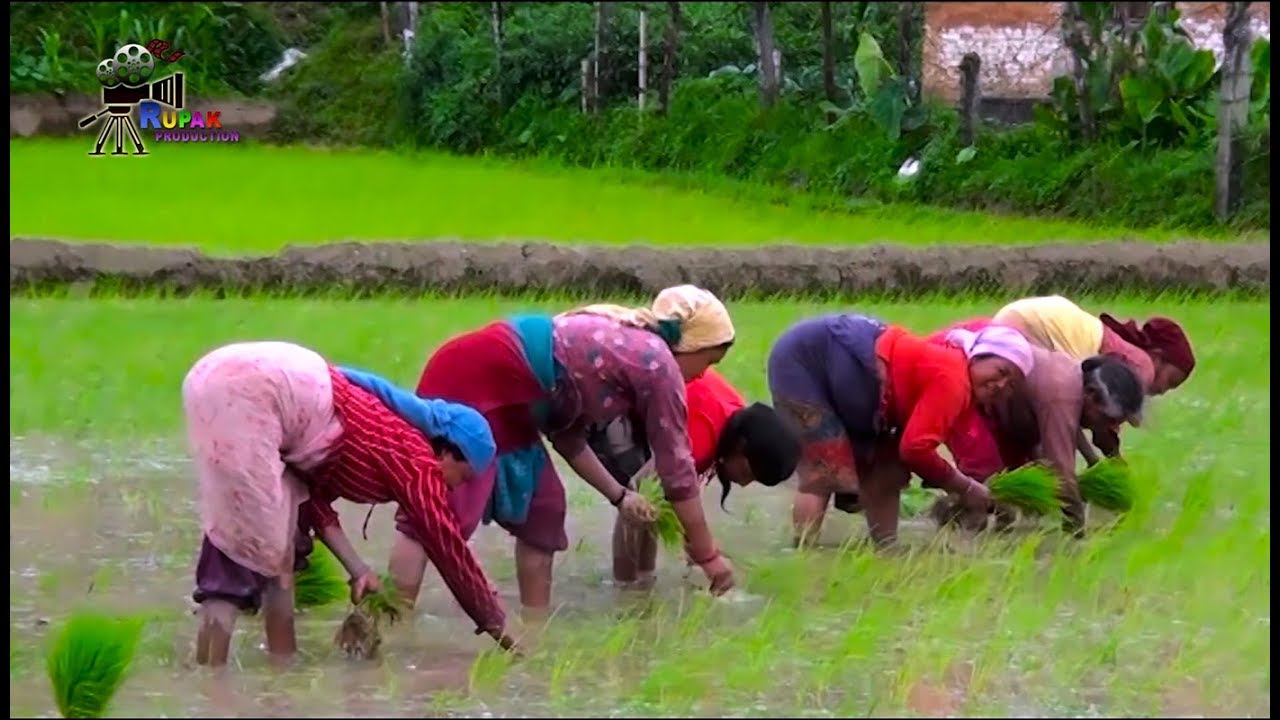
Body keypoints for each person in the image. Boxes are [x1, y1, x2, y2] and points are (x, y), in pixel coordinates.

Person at [394, 285, 739, 621]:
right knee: (437, 511)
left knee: (543, 511)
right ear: (692, 344)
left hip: (515, 404)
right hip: (471, 378)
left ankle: (533, 631)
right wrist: (708, 557)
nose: (703, 374)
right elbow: (676, 468)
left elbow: (567, 436)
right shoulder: (657, 363)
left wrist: (621, 497)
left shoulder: (631, 346)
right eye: (709, 360)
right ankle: (394, 622)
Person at [183, 341, 518, 668]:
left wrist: (359, 571)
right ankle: (211, 683)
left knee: (282, 545)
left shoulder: (373, 433)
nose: (456, 488)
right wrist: (499, 627)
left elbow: (314, 506)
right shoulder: (418, 462)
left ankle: (281, 664)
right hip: (256, 390)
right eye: (463, 476)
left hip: (231, 375)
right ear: (447, 452)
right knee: (237, 552)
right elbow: (448, 548)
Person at [766, 313, 1034, 548]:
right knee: (824, 469)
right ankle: (804, 552)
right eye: (1001, 370)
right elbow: (916, 449)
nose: (1001, 384)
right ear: (978, 355)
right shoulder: (954, 379)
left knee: (888, 468)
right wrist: (966, 488)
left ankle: (887, 548)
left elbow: (917, 447)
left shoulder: (962, 389)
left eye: (1011, 385)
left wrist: (956, 482)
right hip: (808, 360)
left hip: (854, 368)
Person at [585, 366, 802, 588]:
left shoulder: (738, 421)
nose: (744, 484)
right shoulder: (701, 436)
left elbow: (675, 499)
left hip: (647, 391)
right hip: (607, 393)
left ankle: (643, 576)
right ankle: (626, 584)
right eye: (747, 473)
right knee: (641, 502)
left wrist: (696, 542)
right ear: (740, 446)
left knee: (655, 503)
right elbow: (639, 493)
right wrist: (629, 589)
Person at [929, 321, 1148, 536]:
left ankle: (970, 518)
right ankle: (958, 529)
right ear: (1091, 395)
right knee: (987, 472)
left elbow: (1068, 434)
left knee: (1017, 478)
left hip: (998, 401)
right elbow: (1061, 470)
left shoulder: (1072, 383)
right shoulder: (1062, 394)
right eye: (1108, 419)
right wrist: (1077, 530)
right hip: (961, 367)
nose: (1109, 427)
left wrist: (1094, 464)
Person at [992, 295, 1195, 461]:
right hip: (1028, 328)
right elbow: (1099, 429)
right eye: (1170, 381)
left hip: (1013, 320)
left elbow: (1075, 419)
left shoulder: (1106, 361)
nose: (1162, 391)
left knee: (1040, 436)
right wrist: (1114, 462)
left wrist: (1093, 461)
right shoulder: (1142, 368)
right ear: (1157, 357)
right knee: (1046, 441)